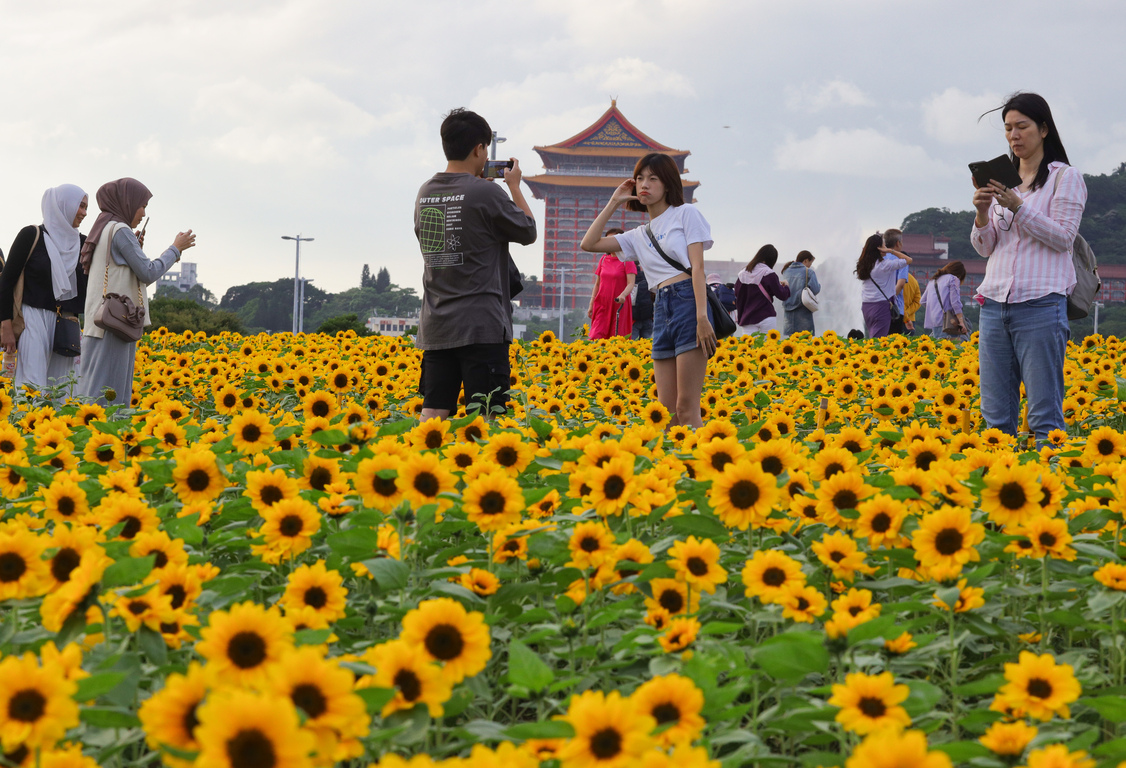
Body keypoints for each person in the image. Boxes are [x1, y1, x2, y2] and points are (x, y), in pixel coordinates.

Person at [971, 92, 1086, 441]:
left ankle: (1049, 489)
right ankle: (996, 483)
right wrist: (980, 212)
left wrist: (1019, 207)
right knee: (995, 417)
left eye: (1022, 126)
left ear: (1044, 129)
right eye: (1008, 129)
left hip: (1040, 304)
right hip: (993, 304)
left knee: (1044, 417)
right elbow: (985, 247)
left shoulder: (1065, 178)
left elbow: (1064, 238)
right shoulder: (1001, 179)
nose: (1014, 135)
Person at [413, 108, 536, 420]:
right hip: (481, 324)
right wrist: (514, 186)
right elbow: (528, 230)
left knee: (434, 410)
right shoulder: (486, 192)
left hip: (437, 323)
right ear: (480, 149)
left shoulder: (425, 192)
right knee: (485, 416)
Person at [580, 152, 715, 429]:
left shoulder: (686, 213)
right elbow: (589, 243)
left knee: (686, 408)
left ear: (667, 184)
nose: (644, 184)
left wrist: (702, 317)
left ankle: (701, 468)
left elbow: (698, 268)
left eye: (653, 179)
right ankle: (672, 467)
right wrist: (614, 201)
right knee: (665, 412)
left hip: (688, 302)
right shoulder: (638, 235)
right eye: (640, 178)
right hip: (660, 307)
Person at [78, 179, 195, 406]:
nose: (142, 213)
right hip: (116, 324)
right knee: (111, 397)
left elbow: (129, 275)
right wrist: (175, 249)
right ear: (127, 202)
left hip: (100, 321)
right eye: (142, 205)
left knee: (93, 390)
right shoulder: (121, 230)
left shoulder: (104, 228)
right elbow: (148, 272)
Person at [0, 185, 90, 394]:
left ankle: (59, 428)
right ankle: (27, 427)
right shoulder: (32, 235)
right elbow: (6, 283)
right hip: (33, 320)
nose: (84, 213)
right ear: (63, 206)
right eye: (81, 206)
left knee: (64, 389)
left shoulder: (83, 244)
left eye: (86, 208)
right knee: (31, 387)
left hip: (67, 323)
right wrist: (5, 326)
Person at [855, 233, 911, 338]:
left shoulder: (864, 265)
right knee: (879, 341)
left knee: (873, 335)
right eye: (884, 246)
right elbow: (908, 260)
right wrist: (891, 251)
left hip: (866, 306)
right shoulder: (885, 265)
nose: (886, 248)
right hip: (881, 306)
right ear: (879, 249)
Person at [587, 227, 635, 339]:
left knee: (616, 337)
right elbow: (598, 283)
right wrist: (591, 303)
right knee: (596, 335)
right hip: (602, 303)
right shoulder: (603, 259)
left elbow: (631, 283)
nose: (609, 244)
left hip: (619, 304)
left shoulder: (627, 260)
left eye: (613, 240)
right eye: (607, 240)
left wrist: (623, 295)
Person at [734, 244, 789, 335]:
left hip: (748, 318)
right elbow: (782, 295)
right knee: (770, 346)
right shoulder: (769, 273)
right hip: (766, 316)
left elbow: (737, 293)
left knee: (749, 347)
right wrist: (786, 286)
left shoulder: (742, 274)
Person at [920, 261, 970, 341]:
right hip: (949, 322)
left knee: (939, 349)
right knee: (953, 348)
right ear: (959, 274)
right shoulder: (953, 279)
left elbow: (922, 301)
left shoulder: (933, 281)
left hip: (934, 321)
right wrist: (961, 322)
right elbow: (955, 303)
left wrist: (935, 309)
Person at [780, 250, 820, 337]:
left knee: (791, 344)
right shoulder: (809, 272)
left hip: (788, 313)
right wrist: (819, 285)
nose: (810, 266)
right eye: (810, 262)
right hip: (803, 313)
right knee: (805, 343)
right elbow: (815, 289)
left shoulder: (786, 271)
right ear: (805, 260)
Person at [882, 229, 910, 333]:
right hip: (894, 308)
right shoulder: (902, 260)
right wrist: (889, 300)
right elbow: (901, 283)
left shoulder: (880, 258)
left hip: (877, 306)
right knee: (893, 343)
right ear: (898, 243)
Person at [631, 264, 653, 340]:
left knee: (631, 346)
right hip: (648, 318)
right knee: (647, 345)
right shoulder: (647, 278)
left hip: (633, 320)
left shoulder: (628, 281)